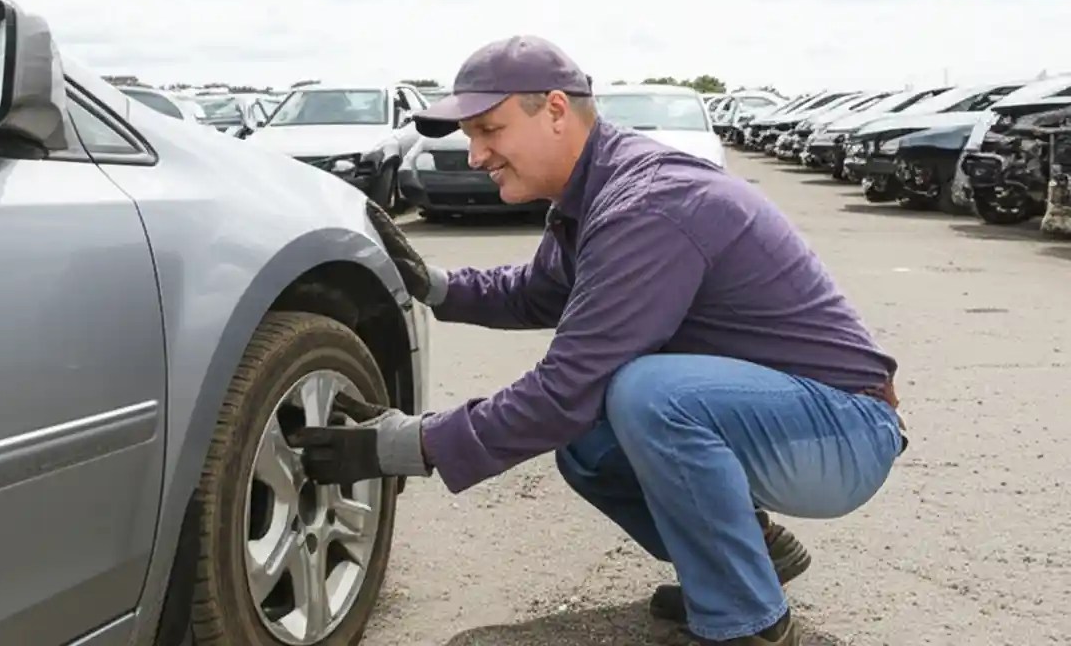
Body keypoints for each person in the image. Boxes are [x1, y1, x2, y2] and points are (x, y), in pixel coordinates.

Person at [290, 35, 908, 646]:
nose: (476, 155)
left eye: (489, 130)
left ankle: (749, 625)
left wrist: (404, 444)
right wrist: (437, 286)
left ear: (555, 110)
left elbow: (564, 390)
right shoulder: (597, 188)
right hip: (786, 414)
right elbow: (537, 291)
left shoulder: (647, 205)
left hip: (842, 427)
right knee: (588, 444)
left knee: (647, 394)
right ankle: (749, 565)